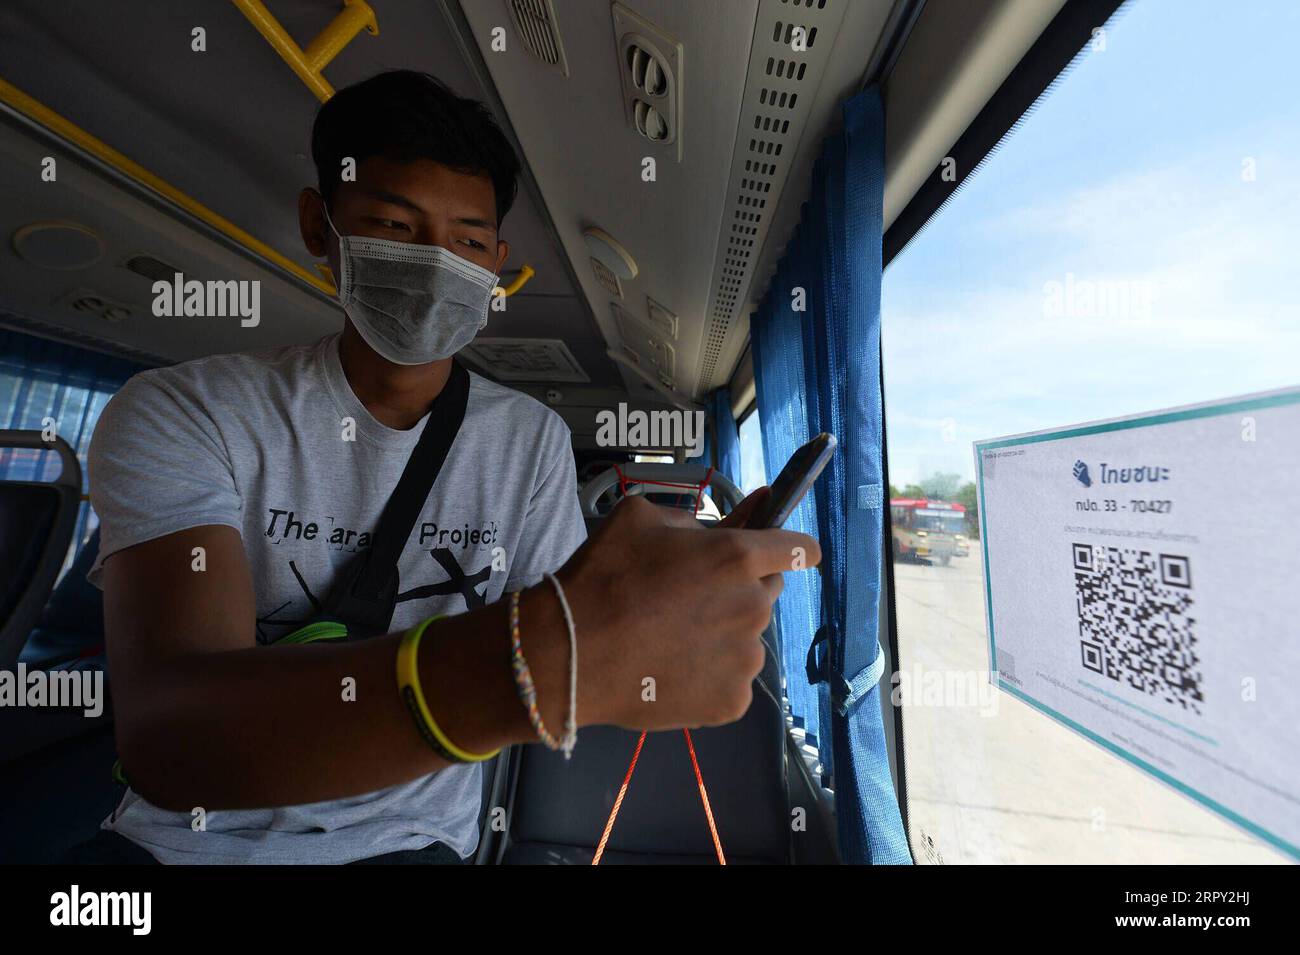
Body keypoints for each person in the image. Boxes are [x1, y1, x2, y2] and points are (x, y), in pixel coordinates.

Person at [69, 70, 818, 864]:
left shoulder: (527, 441)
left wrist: (663, 608)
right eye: (394, 224)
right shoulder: (183, 412)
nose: (434, 264)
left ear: (495, 262)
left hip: (410, 844)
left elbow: (578, 624)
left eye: (465, 242)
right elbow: (176, 739)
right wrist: (551, 660)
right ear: (319, 226)